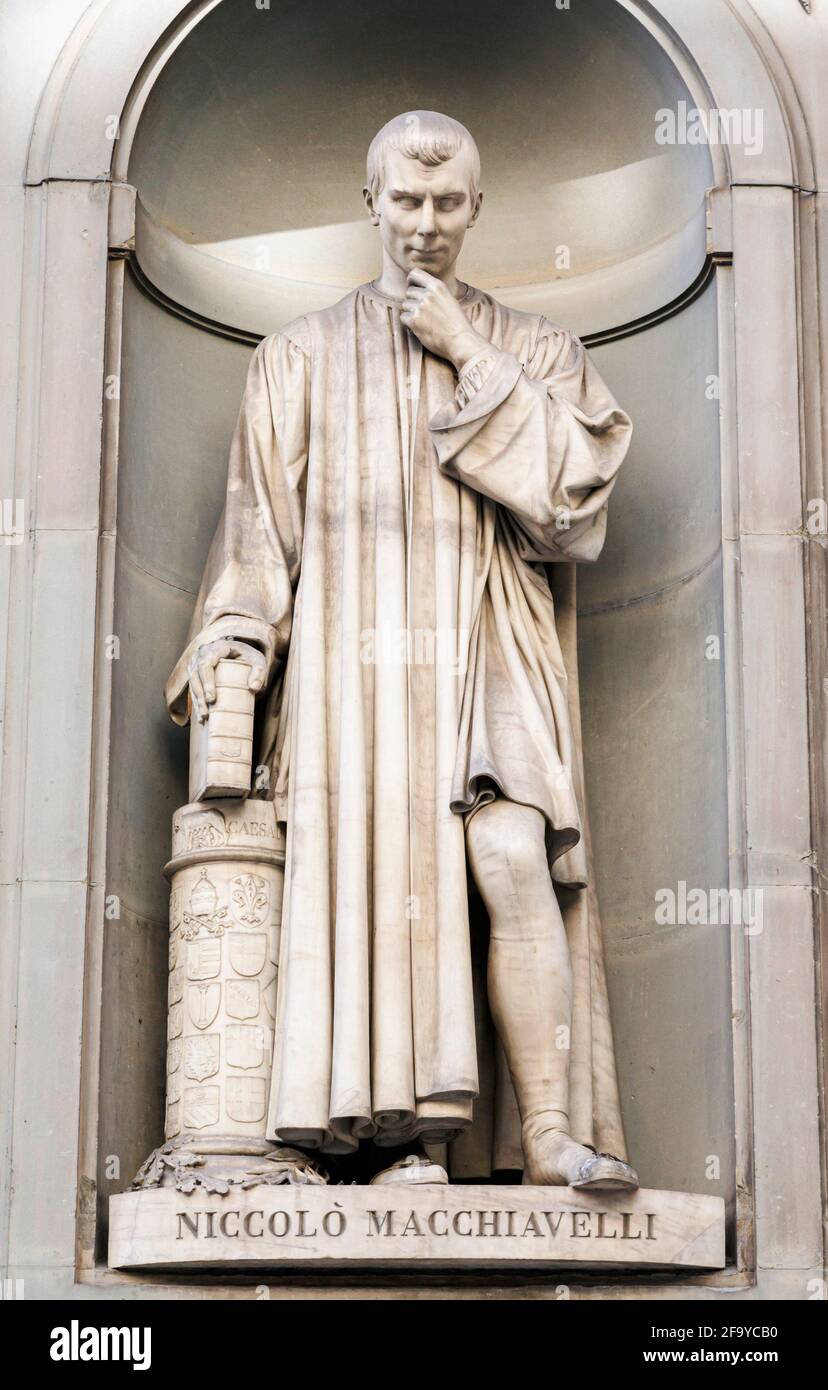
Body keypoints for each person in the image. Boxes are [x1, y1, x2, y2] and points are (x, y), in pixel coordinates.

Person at [166, 111, 637, 1189]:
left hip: (490, 633)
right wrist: (235, 650)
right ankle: (403, 1139)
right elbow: (256, 539)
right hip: (357, 670)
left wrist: (467, 352)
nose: (427, 225)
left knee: (516, 857)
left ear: (477, 207)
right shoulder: (297, 356)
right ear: (369, 200)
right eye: (408, 202)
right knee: (387, 883)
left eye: (449, 203)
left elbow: (574, 505)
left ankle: (553, 1133)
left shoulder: (535, 347)